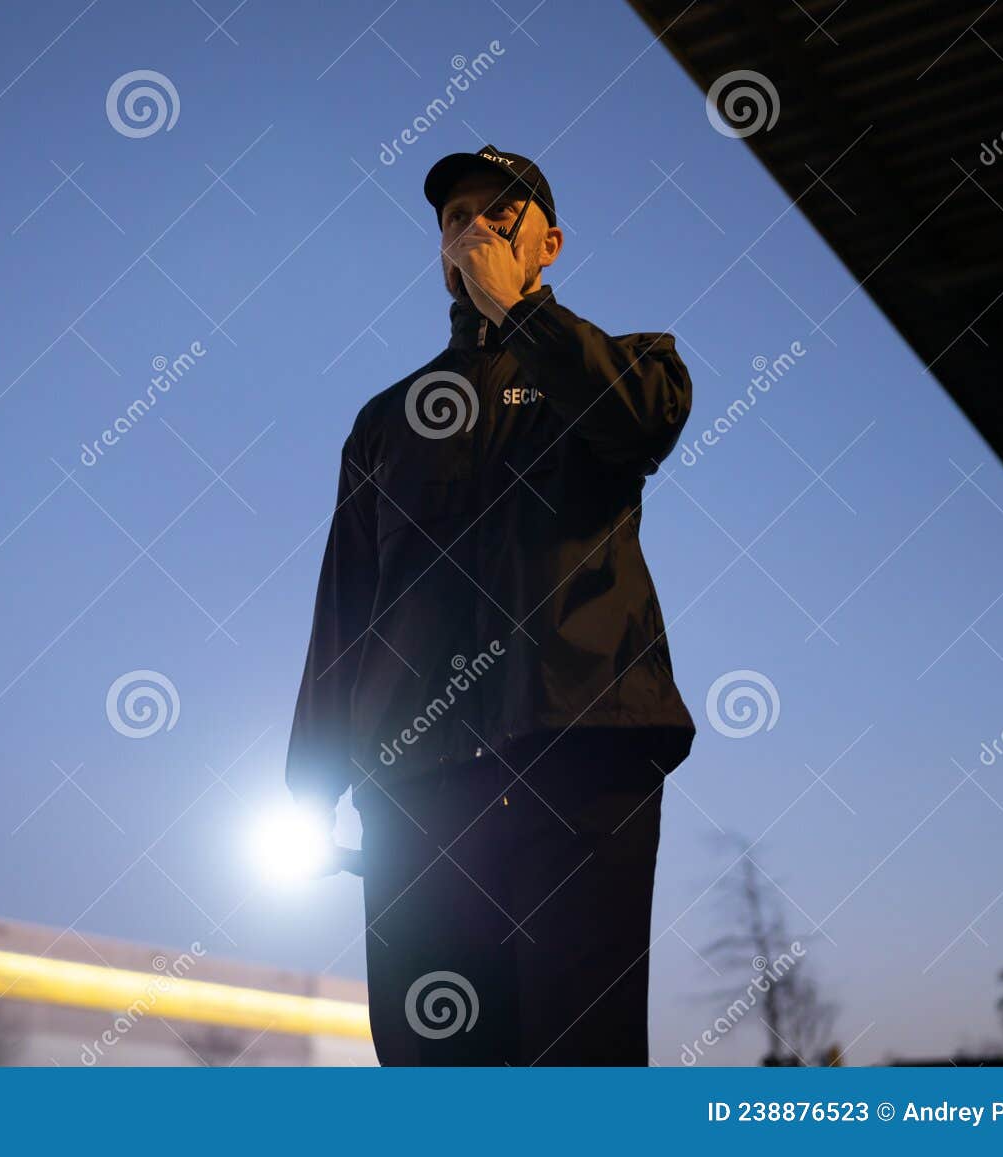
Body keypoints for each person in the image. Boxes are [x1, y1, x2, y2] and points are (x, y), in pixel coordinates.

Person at [285, 146, 697, 1065]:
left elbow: (639, 422)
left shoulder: (632, 363)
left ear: (549, 244)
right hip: (417, 790)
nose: (472, 228)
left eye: (500, 215)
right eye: (454, 217)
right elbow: (343, 604)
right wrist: (311, 779)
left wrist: (520, 312)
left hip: (580, 761)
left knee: (580, 1056)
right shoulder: (386, 421)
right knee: (434, 1062)